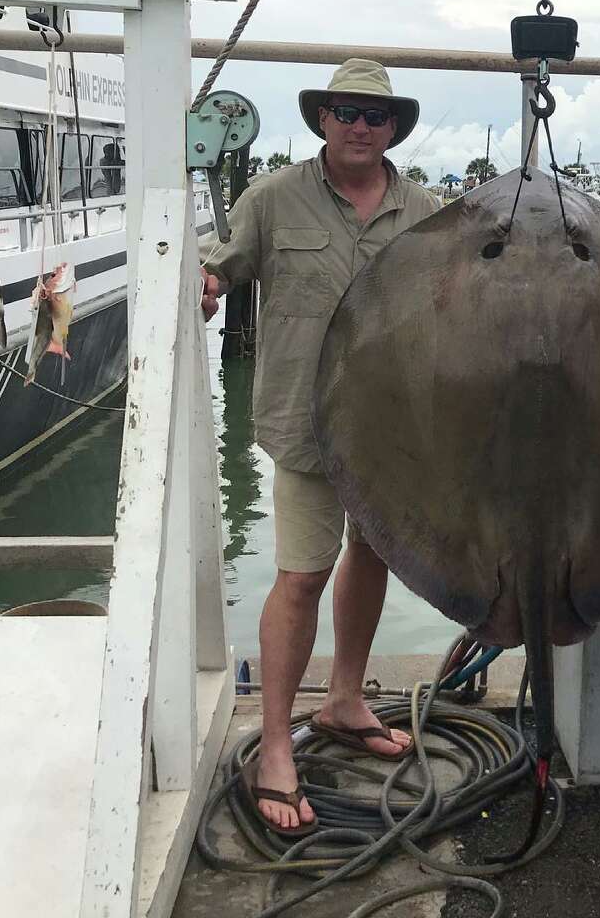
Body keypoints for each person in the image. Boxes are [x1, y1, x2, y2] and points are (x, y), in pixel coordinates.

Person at [200, 59, 441, 836]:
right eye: (346, 111)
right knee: (300, 575)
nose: (360, 125)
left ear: (393, 127)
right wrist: (202, 285)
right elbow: (216, 267)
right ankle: (276, 743)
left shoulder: (426, 211)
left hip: (391, 430)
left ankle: (344, 698)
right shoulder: (273, 197)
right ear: (323, 119)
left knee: (371, 555)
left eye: (375, 114)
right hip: (303, 424)